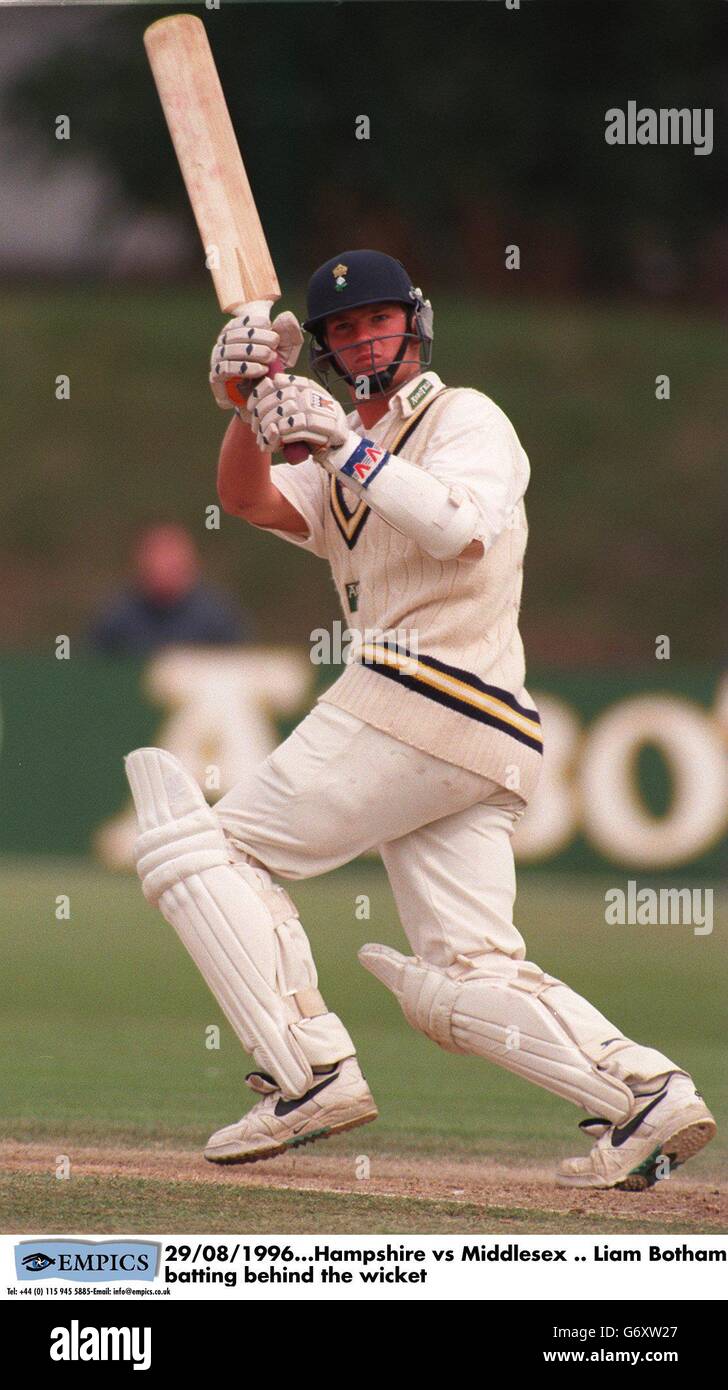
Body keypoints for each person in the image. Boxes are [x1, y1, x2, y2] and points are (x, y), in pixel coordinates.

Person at [125, 250, 715, 1189]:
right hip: (474, 734)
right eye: (346, 329)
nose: (366, 339)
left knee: (205, 850)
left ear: (416, 322)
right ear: (321, 350)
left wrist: (341, 445)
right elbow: (246, 498)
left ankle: (308, 1068)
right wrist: (245, 401)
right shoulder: (329, 448)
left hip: (424, 691)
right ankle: (645, 1094)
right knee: (467, 974)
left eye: (379, 321)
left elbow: (454, 525)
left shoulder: (465, 416)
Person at [88, 522, 248, 654]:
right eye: (157, 556)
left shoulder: (217, 617)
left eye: (171, 559)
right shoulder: (117, 616)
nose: (163, 565)